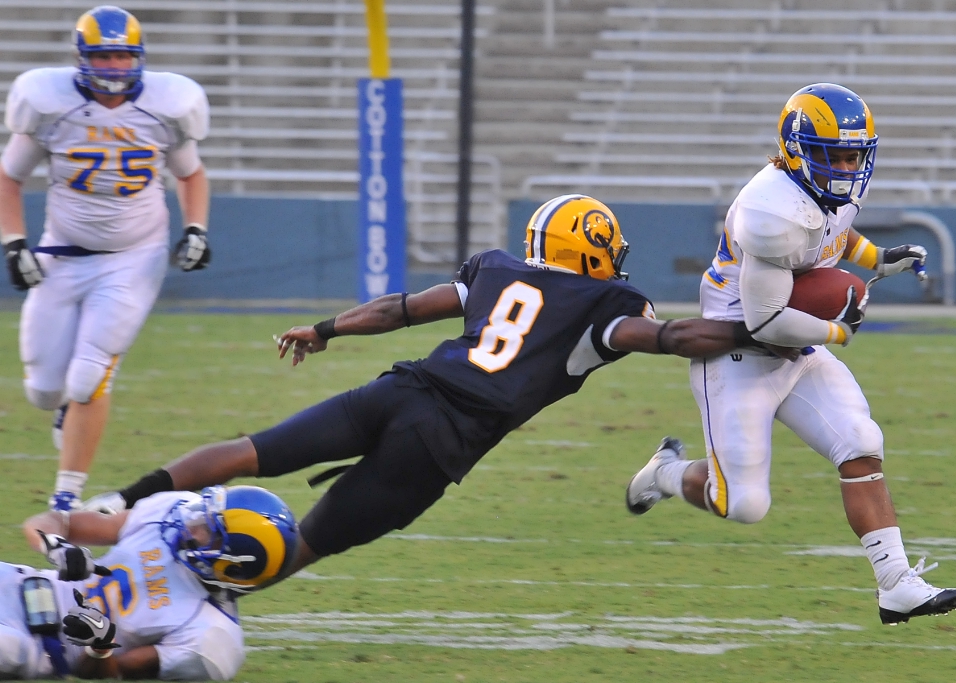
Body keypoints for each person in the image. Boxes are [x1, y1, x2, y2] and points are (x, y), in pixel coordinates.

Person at [81, 194, 793, 583]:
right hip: (440, 442)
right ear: (595, 252)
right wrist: (761, 331)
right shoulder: (609, 304)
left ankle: (122, 502)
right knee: (305, 543)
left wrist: (326, 327)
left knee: (251, 449)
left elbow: (399, 308)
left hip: (400, 389)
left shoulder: (495, 268)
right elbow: (671, 338)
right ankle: (177, 599)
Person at [625, 83, 956, 624]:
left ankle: (897, 583)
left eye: (856, 154)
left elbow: (835, 230)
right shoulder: (769, 211)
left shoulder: (828, 188)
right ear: (797, 149)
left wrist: (878, 255)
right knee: (741, 504)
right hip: (737, 352)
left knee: (860, 441)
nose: (848, 167)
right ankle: (666, 473)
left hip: (795, 346)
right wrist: (839, 330)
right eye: (836, 156)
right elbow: (765, 319)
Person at [0, 5, 213, 512]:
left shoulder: (165, 106)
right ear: (82, 58)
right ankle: (65, 410)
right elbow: (9, 177)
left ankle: (66, 495)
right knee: (45, 390)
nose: (115, 67)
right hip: (62, 254)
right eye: (104, 56)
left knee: (89, 376)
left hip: (133, 258)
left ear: (139, 58)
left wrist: (197, 228)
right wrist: (14, 243)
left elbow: (190, 174)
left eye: (123, 56)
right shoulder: (50, 105)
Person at [0, 484, 297, 679]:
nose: (192, 524)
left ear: (232, 566)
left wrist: (99, 645)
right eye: (204, 514)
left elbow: (109, 673)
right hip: (17, 581)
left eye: (208, 529)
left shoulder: (211, 635)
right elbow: (50, 522)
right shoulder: (175, 512)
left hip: (35, 644)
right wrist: (57, 546)